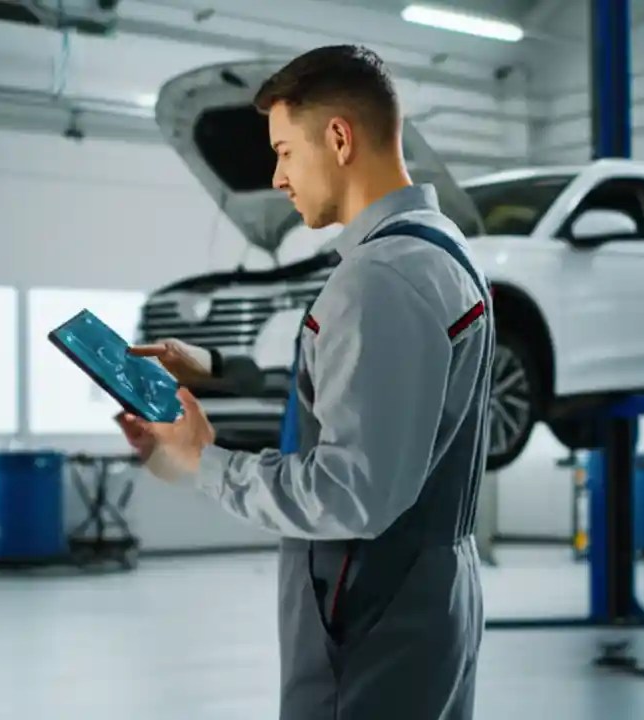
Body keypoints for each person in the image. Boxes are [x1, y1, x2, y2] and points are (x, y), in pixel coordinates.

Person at [117, 45, 493, 720]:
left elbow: (351, 494)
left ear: (339, 138)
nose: (278, 177)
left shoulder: (379, 280)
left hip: (368, 607)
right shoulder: (439, 250)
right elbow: (372, 396)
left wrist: (202, 463)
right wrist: (220, 370)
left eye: (286, 151)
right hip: (424, 593)